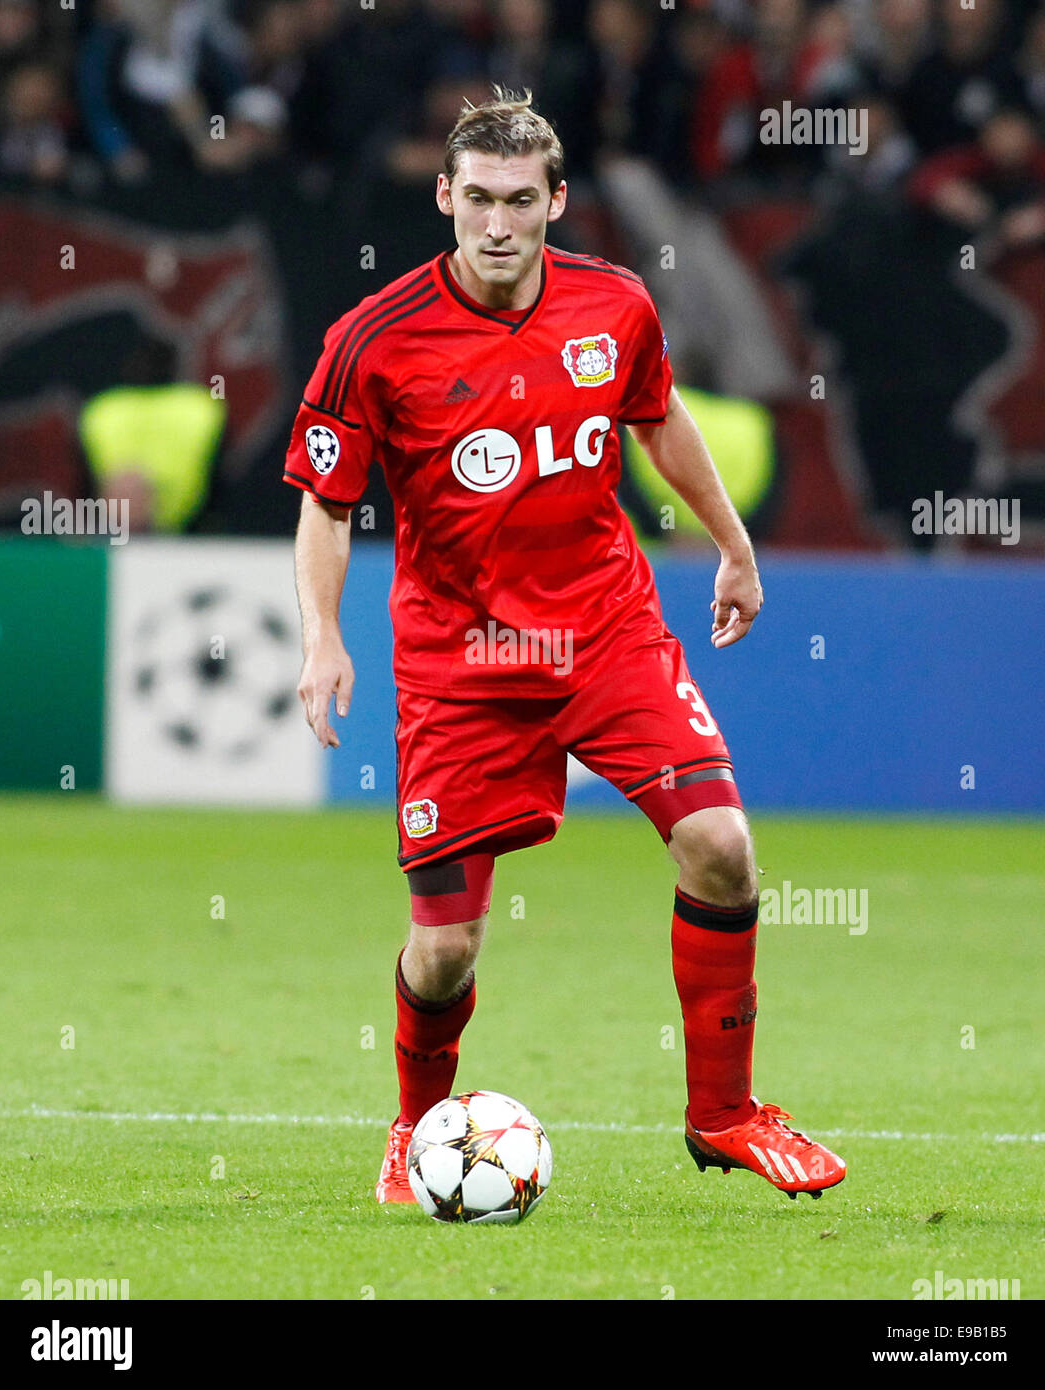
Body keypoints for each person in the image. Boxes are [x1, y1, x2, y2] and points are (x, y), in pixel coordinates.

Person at [283, 86, 847, 1204]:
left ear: (555, 202)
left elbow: (658, 418)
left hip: (602, 628)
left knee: (722, 847)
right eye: (477, 200)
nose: (497, 225)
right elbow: (324, 502)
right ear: (444, 198)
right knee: (444, 949)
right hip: (458, 660)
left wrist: (730, 544)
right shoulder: (372, 341)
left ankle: (723, 1113)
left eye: (520, 201)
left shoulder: (615, 306)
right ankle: (413, 1126)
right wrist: (321, 639)